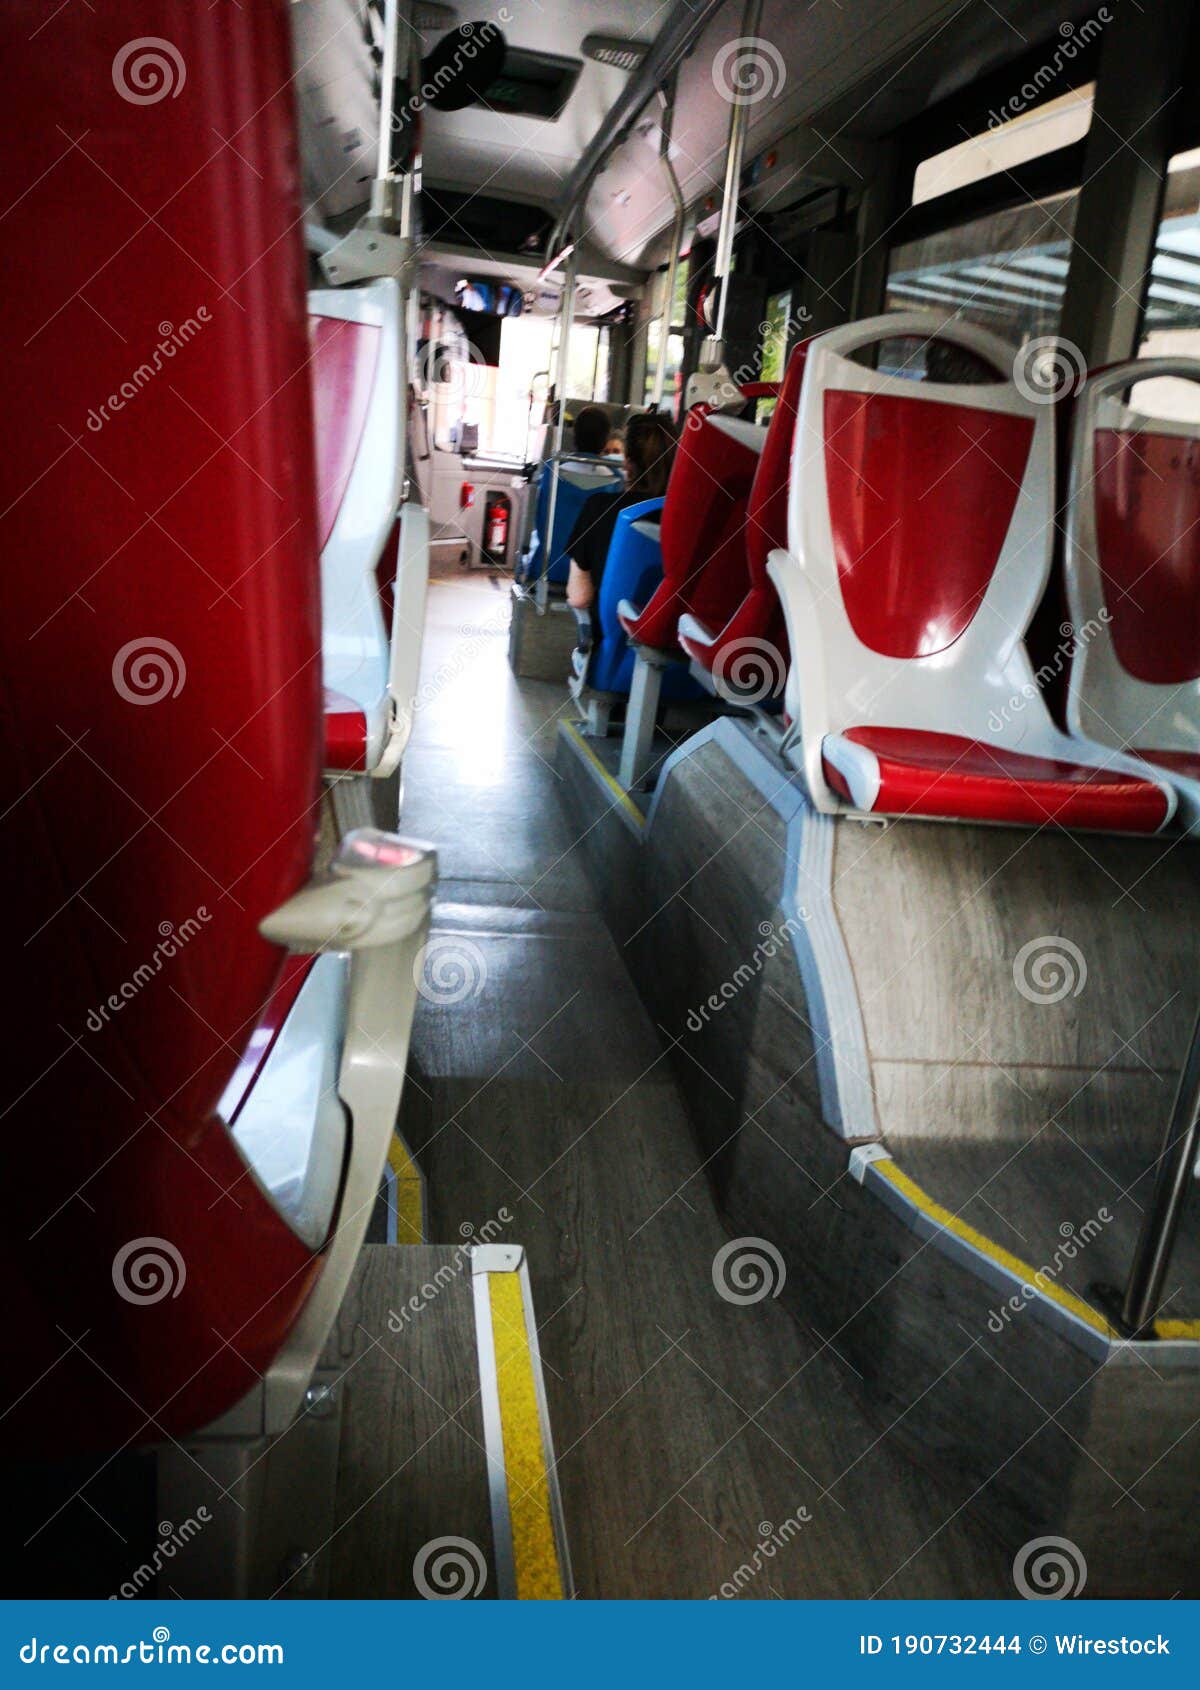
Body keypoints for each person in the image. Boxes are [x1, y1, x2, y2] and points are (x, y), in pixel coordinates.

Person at [565, 410, 676, 666]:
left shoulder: (598, 508)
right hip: (684, 661)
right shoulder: (695, 518)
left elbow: (579, 596)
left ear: (627, 463)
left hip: (613, 653)